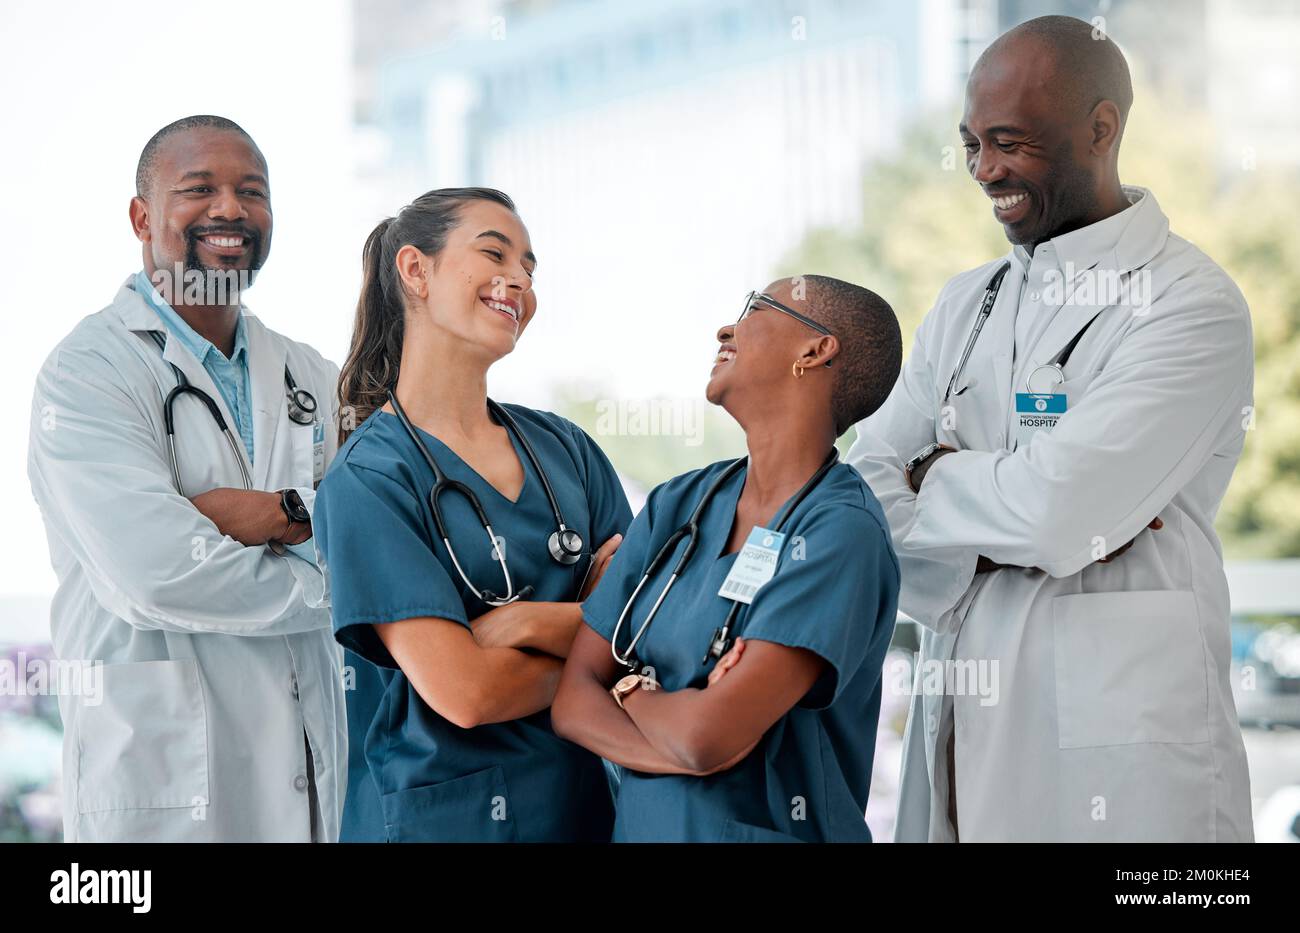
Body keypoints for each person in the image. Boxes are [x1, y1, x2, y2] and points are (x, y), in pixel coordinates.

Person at [848, 16, 1254, 841]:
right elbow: (867, 494)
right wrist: (1015, 513)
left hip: (1126, 769)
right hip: (964, 722)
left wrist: (943, 476)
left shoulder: (1190, 304)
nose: (984, 168)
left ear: (1102, 129)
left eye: (1011, 141)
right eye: (971, 142)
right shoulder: (966, 303)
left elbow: (1060, 508)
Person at [27, 115, 345, 842]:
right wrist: (338, 579)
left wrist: (270, 513)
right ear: (143, 216)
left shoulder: (310, 374)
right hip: (159, 793)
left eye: (251, 191)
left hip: (307, 781)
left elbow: (383, 525)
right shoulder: (88, 372)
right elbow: (158, 573)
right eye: (199, 188)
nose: (230, 209)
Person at [313, 187, 630, 842]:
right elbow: (467, 693)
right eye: (495, 253)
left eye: (530, 268)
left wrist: (525, 621)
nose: (518, 279)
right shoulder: (370, 479)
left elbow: (648, 630)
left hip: (583, 817)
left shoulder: (566, 451)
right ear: (415, 270)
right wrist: (591, 638)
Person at [553, 276, 902, 842]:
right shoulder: (678, 505)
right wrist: (673, 721)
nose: (725, 328)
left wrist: (629, 689)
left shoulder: (840, 534)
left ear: (814, 351)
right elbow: (572, 702)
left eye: (754, 309)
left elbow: (707, 736)